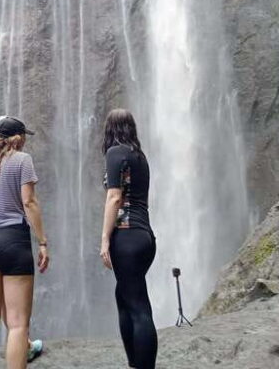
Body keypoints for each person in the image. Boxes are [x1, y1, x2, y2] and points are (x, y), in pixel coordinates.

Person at [0, 116, 49, 369]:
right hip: (13, 240)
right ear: (18, 138)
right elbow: (29, 202)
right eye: (24, 136)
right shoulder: (22, 160)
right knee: (17, 324)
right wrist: (43, 241)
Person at [99, 109, 157, 369]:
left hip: (127, 236)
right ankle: (135, 363)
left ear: (110, 129)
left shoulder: (115, 153)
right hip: (144, 237)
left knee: (138, 307)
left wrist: (104, 240)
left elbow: (114, 198)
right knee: (124, 298)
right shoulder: (139, 157)